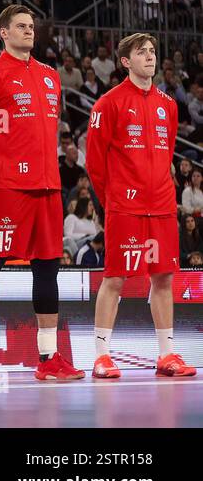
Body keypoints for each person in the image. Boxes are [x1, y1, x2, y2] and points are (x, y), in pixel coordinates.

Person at [0, 5, 82, 383]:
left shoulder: (49, 76)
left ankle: (48, 357)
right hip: (7, 185)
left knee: (48, 267)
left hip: (48, 185)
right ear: (3, 33)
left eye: (32, 26)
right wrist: (1, 165)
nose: (29, 31)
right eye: (21, 27)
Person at [85, 33, 195, 379]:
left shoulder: (168, 104)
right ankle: (102, 355)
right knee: (115, 278)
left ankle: (167, 354)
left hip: (162, 204)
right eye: (141, 52)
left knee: (163, 278)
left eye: (152, 51)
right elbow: (94, 162)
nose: (149, 57)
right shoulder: (107, 103)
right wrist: (112, 201)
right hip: (125, 206)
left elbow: (166, 153)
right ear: (125, 62)